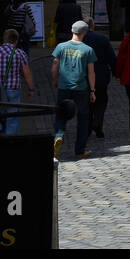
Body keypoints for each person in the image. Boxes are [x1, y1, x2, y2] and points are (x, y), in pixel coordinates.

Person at [50, 20, 97, 159]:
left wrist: (56, 80)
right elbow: (91, 73)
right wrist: (93, 90)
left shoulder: (61, 47)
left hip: (64, 87)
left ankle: (58, 136)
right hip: (81, 88)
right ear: (84, 33)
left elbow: (54, 68)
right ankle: (79, 150)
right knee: (83, 119)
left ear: (72, 31)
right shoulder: (88, 50)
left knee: (61, 114)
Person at [0, 29, 34, 136]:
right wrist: (31, 89)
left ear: (4, 39)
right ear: (16, 40)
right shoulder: (20, 53)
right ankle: (10, 141)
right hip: (13, 89)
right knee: (12, 117)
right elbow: (27, 73)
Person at [81, 24, 115, 139]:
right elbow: (111, 57)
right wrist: (115, 71)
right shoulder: (102, 39)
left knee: (87, 103)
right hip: (101, 76)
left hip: (84, 76)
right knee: (101, 101)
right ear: (93, 26)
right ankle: (98, 123)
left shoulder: (79, 40)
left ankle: (88, 127)